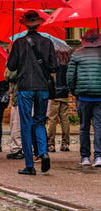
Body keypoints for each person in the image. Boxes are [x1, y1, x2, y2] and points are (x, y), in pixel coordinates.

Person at [6, 10, 57, 175]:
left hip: (25, 87)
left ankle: (30, 165)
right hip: (42, 87)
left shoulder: (18, 43)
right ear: (38, 24)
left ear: (26, 24)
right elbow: (53, 67)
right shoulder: (48, 42)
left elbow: (11, 66)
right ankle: (43, 151)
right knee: (39, 122)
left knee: (26, 125)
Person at [67, 29, 101, 167]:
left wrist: (74, 91)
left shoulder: (77, 54)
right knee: (99, 126)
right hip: (100, 97)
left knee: (84, 127)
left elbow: (70, 77)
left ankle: (85, 156)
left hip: (83, 96)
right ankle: (99, 156)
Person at [47, 49, 71, 152]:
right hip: (64, 93)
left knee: (52, 119)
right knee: (64, 119)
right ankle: (65, 144)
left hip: (54, 94)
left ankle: (51, 144)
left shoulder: (52, 62)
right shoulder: (67, 60)